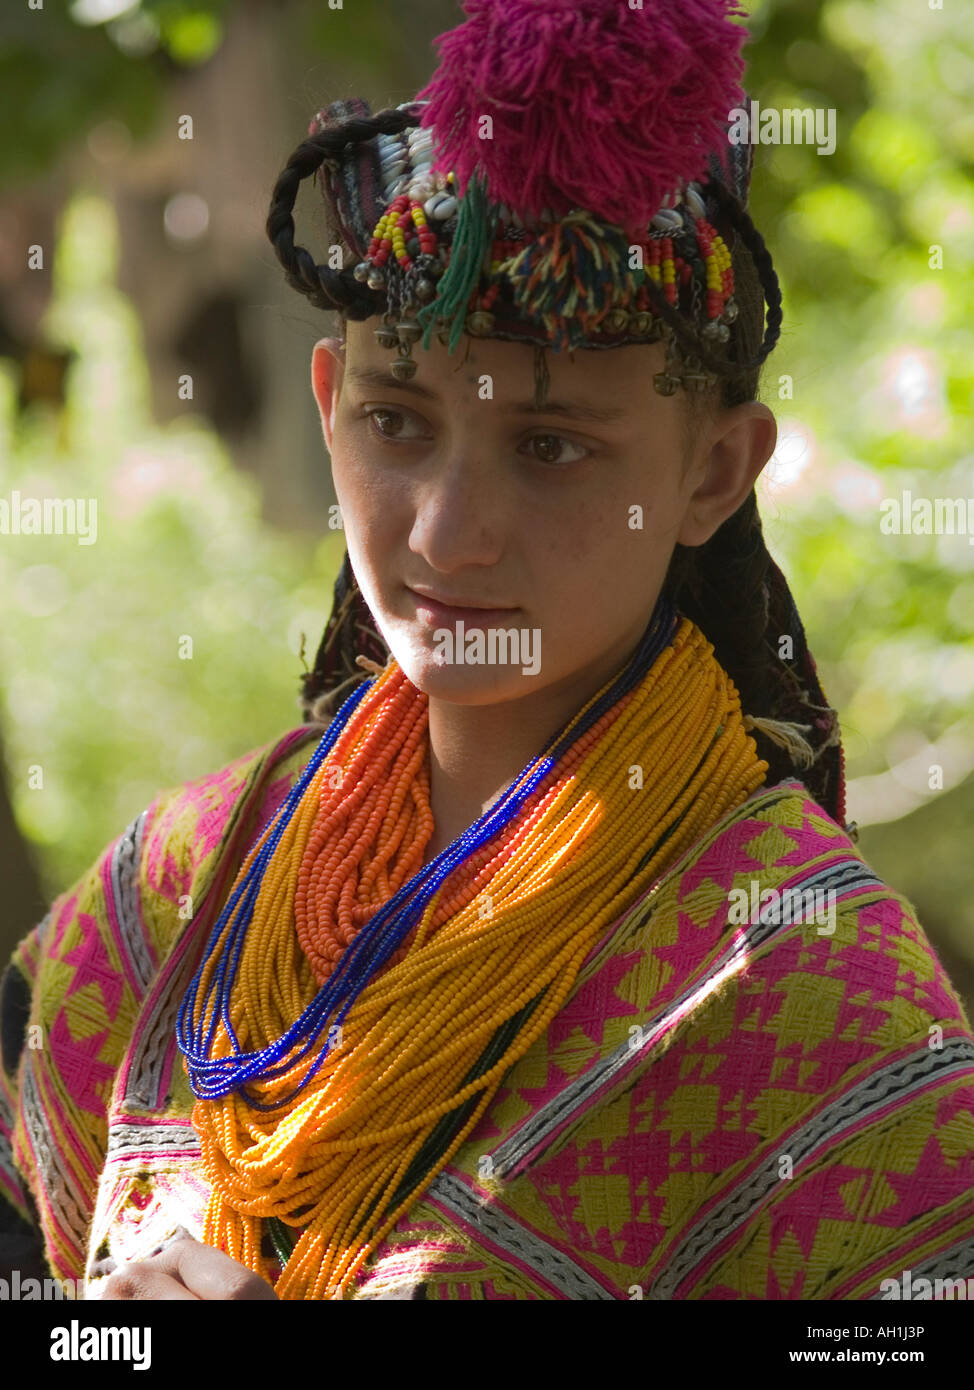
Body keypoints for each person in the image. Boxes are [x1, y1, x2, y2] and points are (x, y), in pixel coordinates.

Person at [2, 0, 973, 1301]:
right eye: (399, 422)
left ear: (715, 474)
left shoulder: (811, 990)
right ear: (327, 410)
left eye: (552, 445)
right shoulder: (173, 893)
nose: (449, 535)